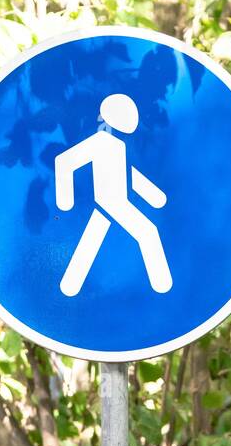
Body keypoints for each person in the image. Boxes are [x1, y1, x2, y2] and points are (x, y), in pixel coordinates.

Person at [55, 93, 172, 297]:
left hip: (117, 202)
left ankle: (68, 288)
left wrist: (154, 196)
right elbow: (65, 162)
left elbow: (129, 175)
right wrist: (65, 199)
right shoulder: (99, 142)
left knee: (91, 241)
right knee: (148, 232)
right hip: (109, 202)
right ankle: (163, 286)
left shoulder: (121, 146)